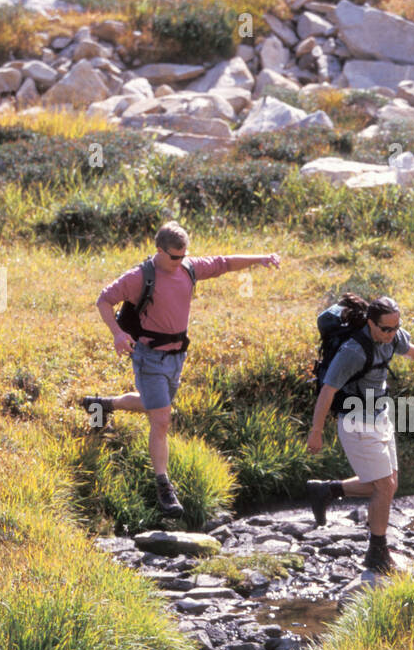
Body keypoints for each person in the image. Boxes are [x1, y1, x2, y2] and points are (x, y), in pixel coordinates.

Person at [81, 221, 280, 518]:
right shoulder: (139, 277)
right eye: (174, 256)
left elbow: (224, 263)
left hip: (177, 357)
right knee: (161, 420)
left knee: (153, 407)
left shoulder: (188, 267)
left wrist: (261, 257)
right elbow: (103, 300)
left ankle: (104, 404)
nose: (180, 261)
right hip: (149, 356)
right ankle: (164, 486)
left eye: (184, 255)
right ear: (159, 250)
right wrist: (118, 334)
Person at [305, 293, 414, 573]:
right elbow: (327, 391)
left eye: (396, 327)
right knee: (383, 487)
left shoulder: (392, 336)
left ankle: (327, 490)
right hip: (356, 421)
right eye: (386, 329)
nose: (393, 334)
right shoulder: (353, 352)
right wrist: (316, 431)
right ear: (371, 323)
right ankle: (377, 552)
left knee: (389, 483)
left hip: (380, 415)